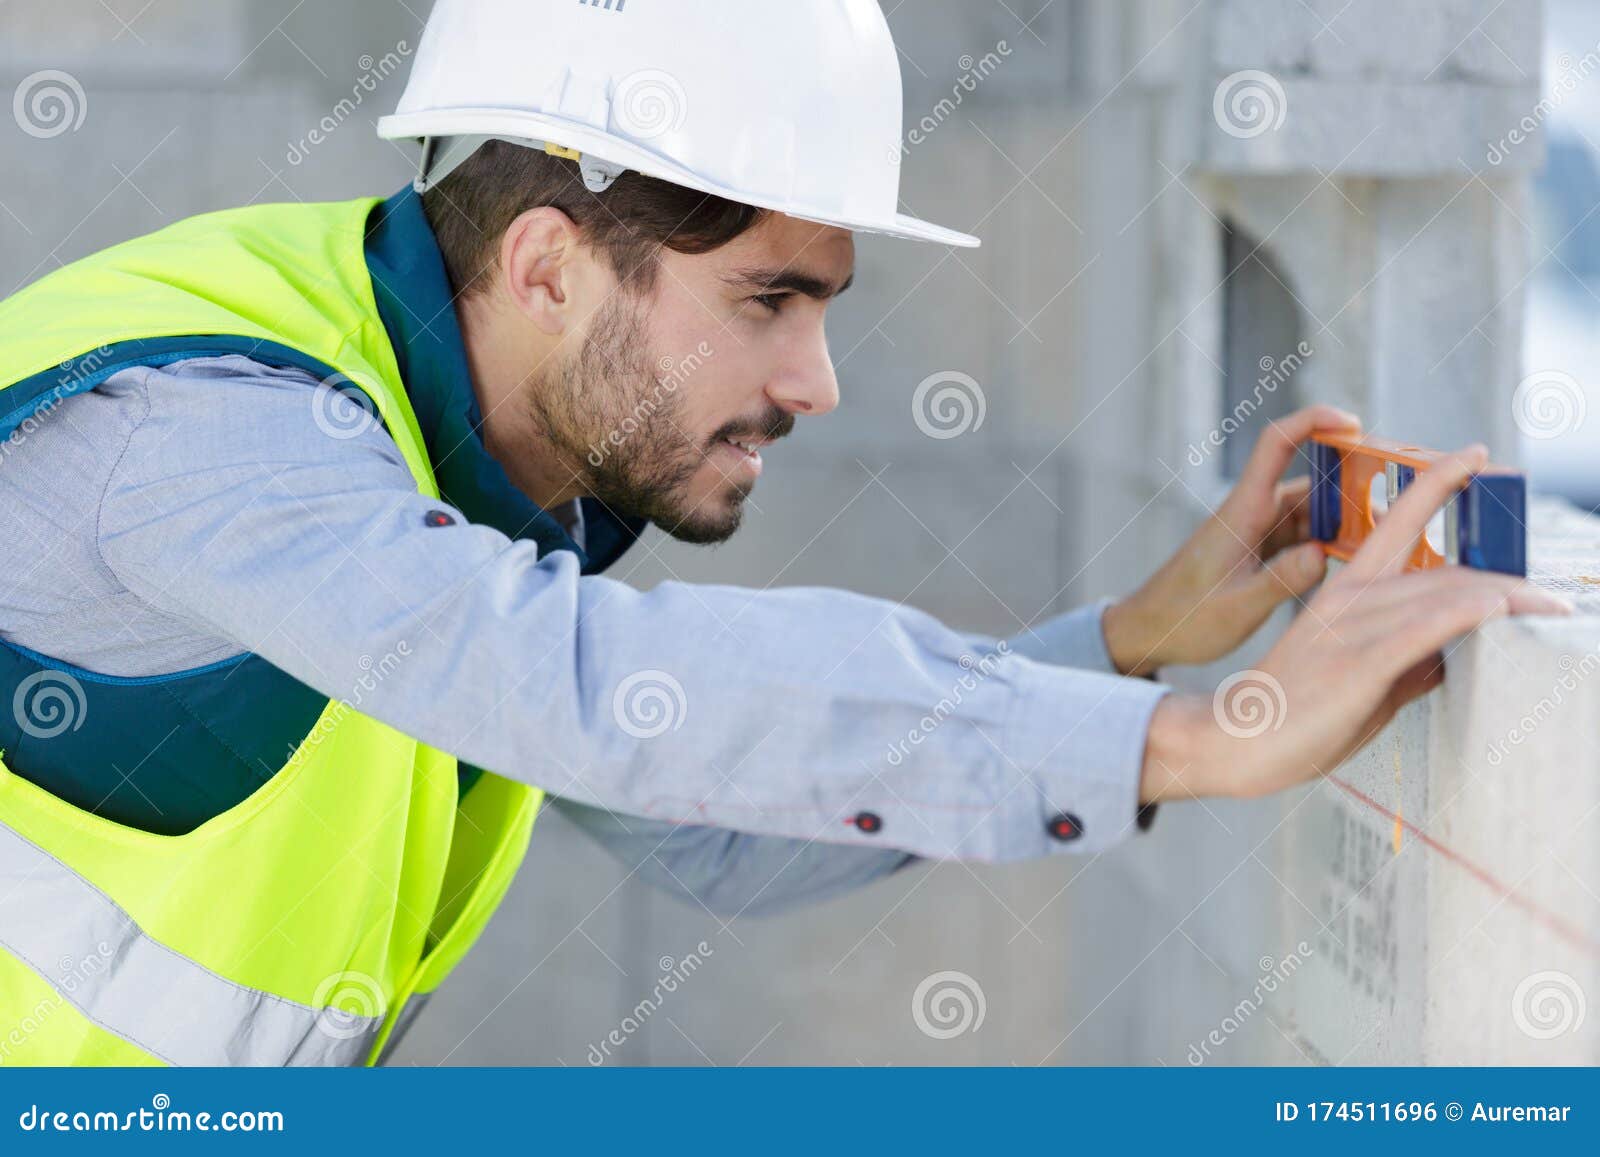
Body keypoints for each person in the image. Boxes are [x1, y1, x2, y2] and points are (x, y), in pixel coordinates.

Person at [0, 0, 1568, 1067]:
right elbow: (591, 686)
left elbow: (715, 823)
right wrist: (1200, 736)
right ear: (549, 264)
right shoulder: (208, 424)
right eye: (768, 300)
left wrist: (1126, 651)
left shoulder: (463, 450)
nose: (816, 381)